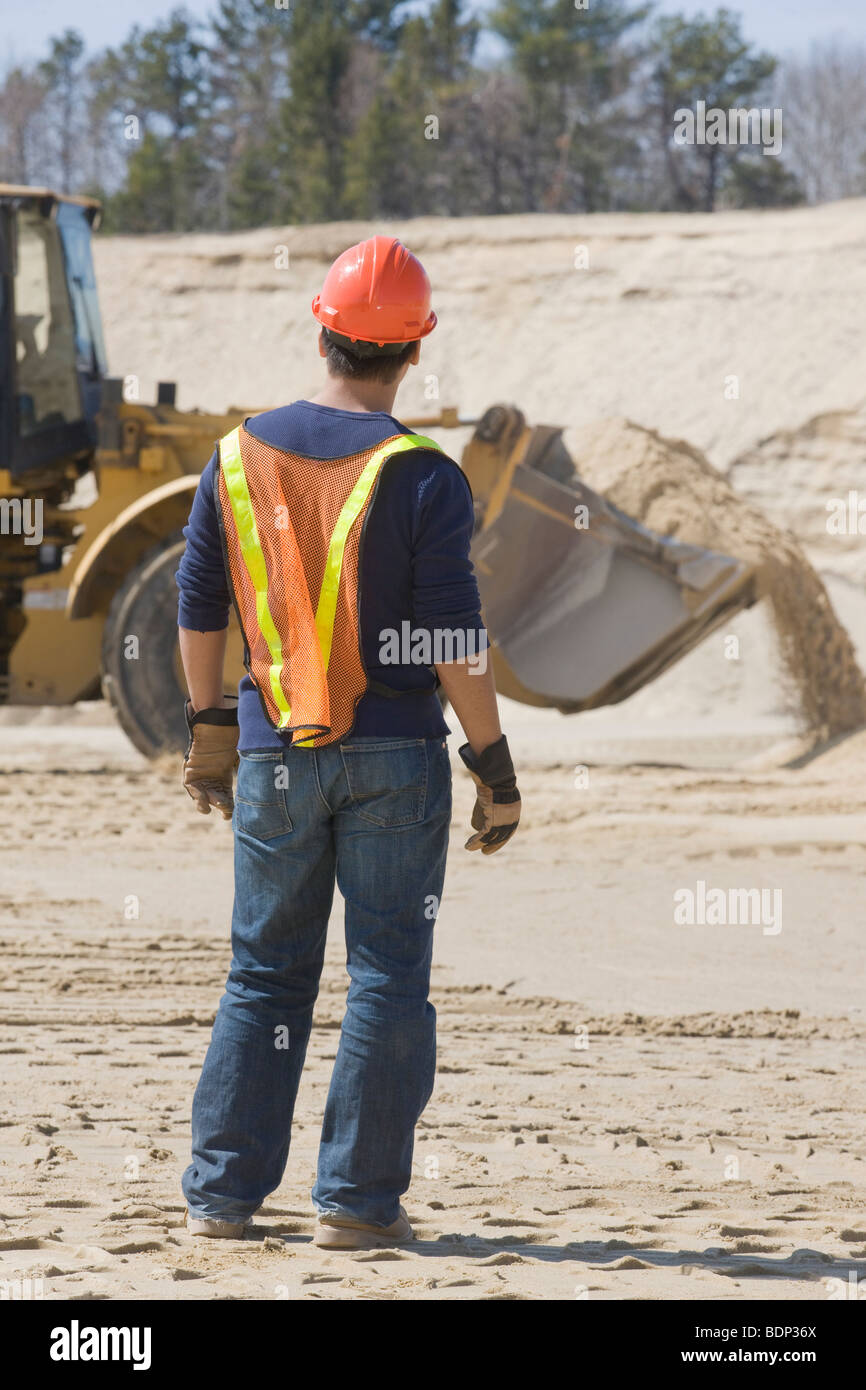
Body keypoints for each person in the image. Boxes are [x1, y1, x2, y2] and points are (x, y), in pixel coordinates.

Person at [176, 236, 521, 1250]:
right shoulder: (424, 475)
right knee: (383, 974)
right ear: (413, 350)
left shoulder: (235, 457)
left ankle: (223, 1198)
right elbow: (455, 640)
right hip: (393, 758)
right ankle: (356, 1206)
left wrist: (207, 726)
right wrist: (492, 767)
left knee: (262, 975)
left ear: (322, 330)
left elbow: (200, 601)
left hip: (272, 751)